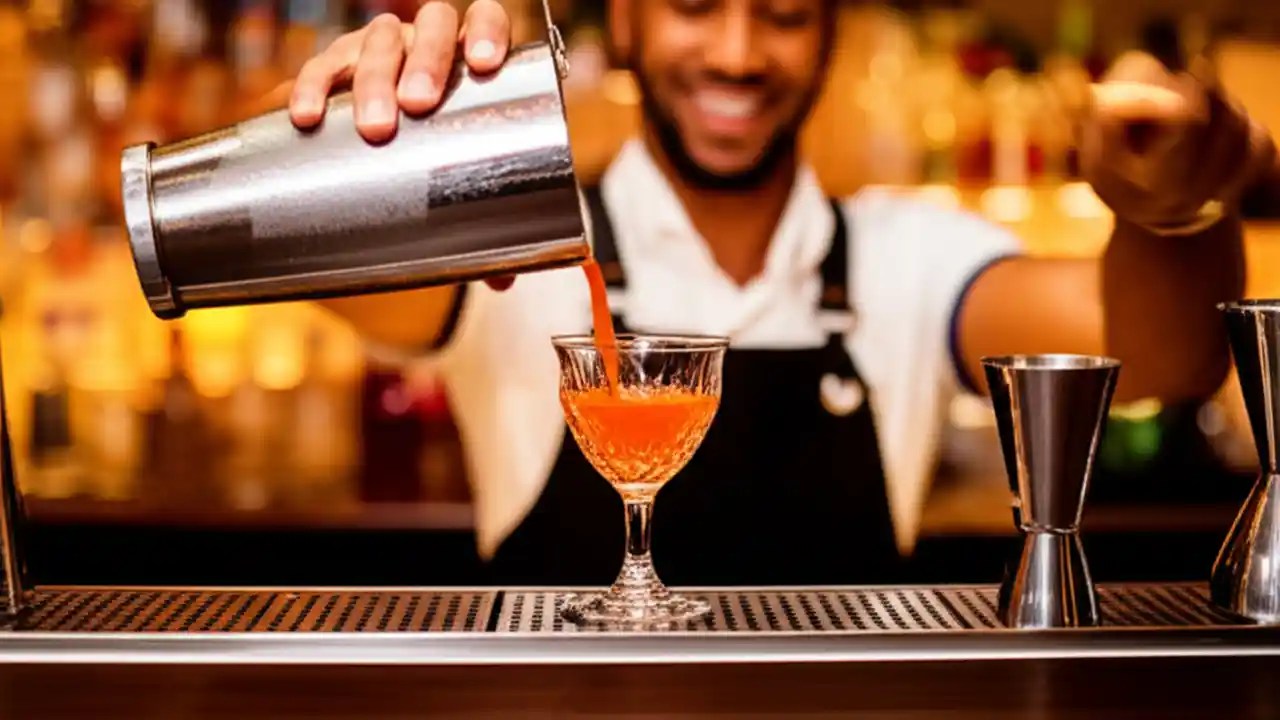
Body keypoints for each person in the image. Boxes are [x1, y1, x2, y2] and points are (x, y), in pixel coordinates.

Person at [264, 0, 1275, 585]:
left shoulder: (904, 258)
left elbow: (1165, 356)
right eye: (694, 5)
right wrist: (360, 134)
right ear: (622, 15)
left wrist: (1172, 205)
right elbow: (295, 246)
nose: (738, 54)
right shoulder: (509, 246)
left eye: (783, 13)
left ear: (830, 30)